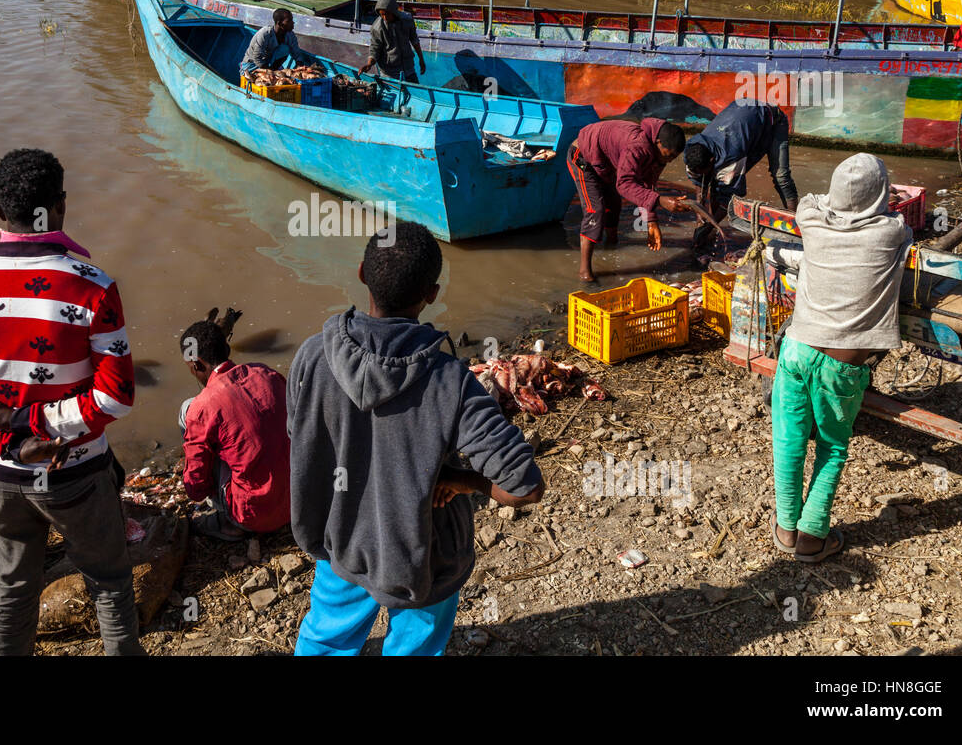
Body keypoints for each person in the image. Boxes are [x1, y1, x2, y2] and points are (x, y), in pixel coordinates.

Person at [0, 148, 143, 656]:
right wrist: (46, 427)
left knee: (14, 583)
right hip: (78, 475)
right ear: (61, 207)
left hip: (0, 477)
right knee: (108, 581)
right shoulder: (93, 287)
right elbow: (116, 395)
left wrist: (11, 439)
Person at [288, 224, 544, 655]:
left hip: (341, 545)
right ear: (431, 293)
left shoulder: (312, 357)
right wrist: (467, 482)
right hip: (424, 560)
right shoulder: (451, 382)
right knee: (416, 647)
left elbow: (302, 442)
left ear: (362, 274)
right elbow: (525, 488)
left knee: (326, 640)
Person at [768, 153, 911, 563]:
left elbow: (809, 200)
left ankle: (785, 529)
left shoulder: (812, 221)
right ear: (881, 196)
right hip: (841, 365)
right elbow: (895, 216)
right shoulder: (892, 231)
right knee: (832, 447)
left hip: (795, 350)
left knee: (789, 442)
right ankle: (812, 538)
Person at [177, 316, 291, 541]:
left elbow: (195, 489)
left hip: (254, 515)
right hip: (298, 499)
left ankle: (230, 522)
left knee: (186, 409)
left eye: (190, 367)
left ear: (197, 364)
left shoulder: (203, 406)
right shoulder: (266, 373)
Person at [566, 118, 689, 283]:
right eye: (669, 155)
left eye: (674, 157)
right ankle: (584, 272)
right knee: (596, 210)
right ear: (658, 143)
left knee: (614, 204)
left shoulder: (660, 155)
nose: (669, 161)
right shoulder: (637, 147)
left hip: (606, 161)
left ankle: (611, 244)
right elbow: (624, 184)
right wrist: (661, 201)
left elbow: (646, 185)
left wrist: (651, 222)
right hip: (582, 156)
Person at [683, 99, 799, 265]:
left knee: (780, 175)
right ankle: (708, 238)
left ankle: (795, 225)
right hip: (742, 118)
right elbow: (700, 184)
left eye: (705, 170)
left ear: (711, 160)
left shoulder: (731, 156)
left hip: (772, 121)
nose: (699, 174)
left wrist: (710, 225)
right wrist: (701, 216)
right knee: (715, 184)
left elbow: (728, 200)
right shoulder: (692, 151)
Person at [360, 0, 425, 83]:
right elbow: (375, 49)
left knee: (417, 94)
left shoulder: (407, 19)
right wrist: (369, 64)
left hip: (408, 69)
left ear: (393, 11)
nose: (385, 18)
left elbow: (414, 40)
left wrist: (421, 60)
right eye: (382, 15)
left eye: (387, 14)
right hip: (390, 73)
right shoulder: (377, 27)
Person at [239, 8, 317, 77]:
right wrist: (271, 72)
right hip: (253, 64)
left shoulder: (290, 34)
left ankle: (275, 69)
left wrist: (300, 66)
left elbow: (296, 53)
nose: (293, 23)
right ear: (280, 23)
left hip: (270, 63)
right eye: (289, 21)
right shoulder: (265, 34)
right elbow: (257, 58)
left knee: (285, 48)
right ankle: (272, 71)